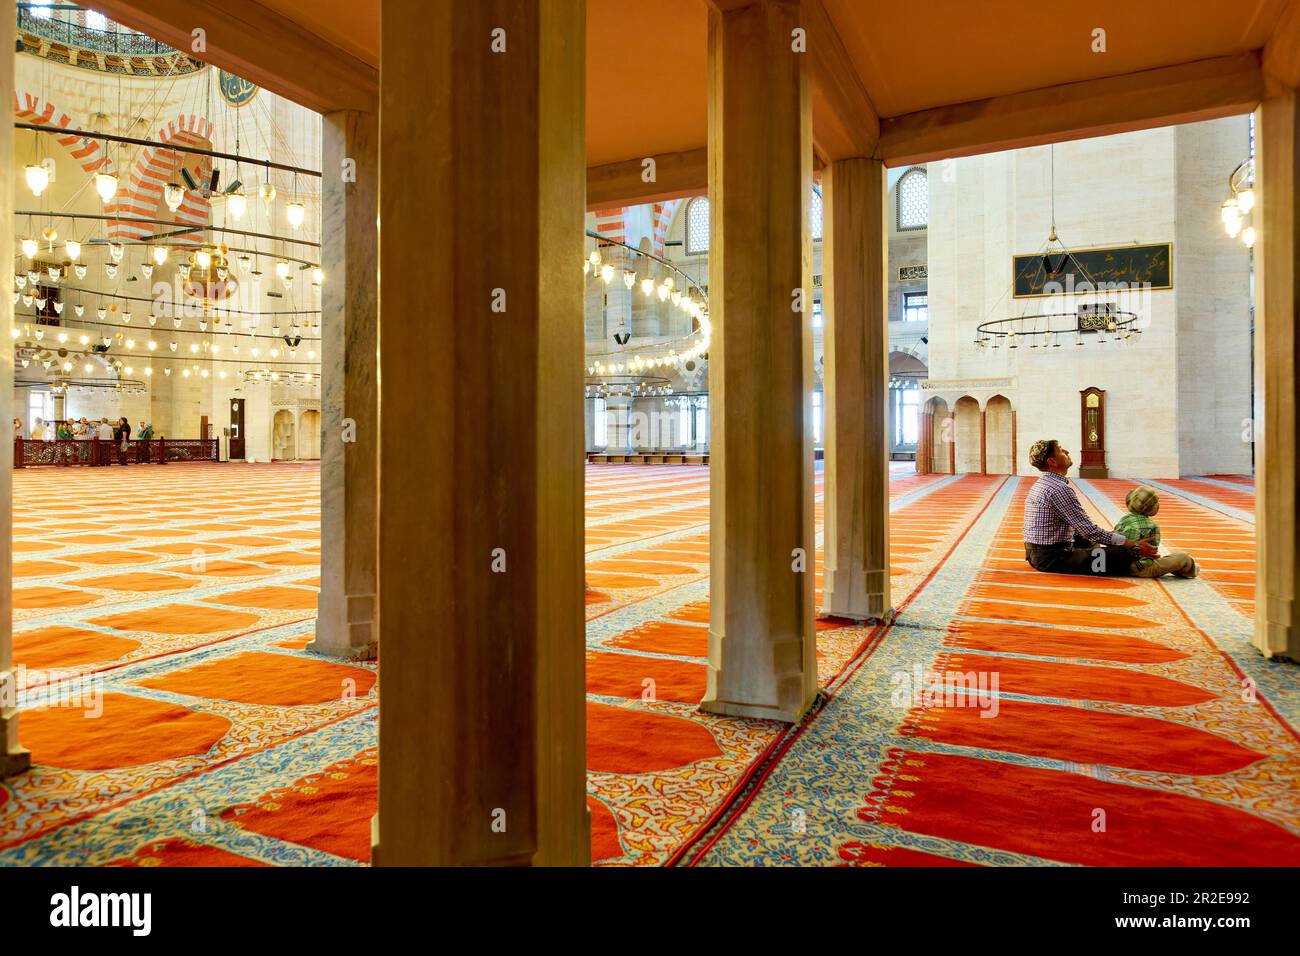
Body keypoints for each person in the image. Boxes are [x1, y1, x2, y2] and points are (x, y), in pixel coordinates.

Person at [1023, 438, 1157, 576]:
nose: (1066, 451)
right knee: (1123, 553)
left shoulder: (1044, 483)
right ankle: (1131, 555)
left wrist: (1117, 539)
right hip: (1051, 558)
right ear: (1052, 462)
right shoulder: (1059, 489)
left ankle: (1110, 550)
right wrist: (1132, 545)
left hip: (1036, 553)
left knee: (1090, 540)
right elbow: (1090, 531)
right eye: (1061, 450)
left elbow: (1084, 532)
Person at [1115, 485, 1197, 579]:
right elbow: (1153, 552)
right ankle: (1191, 571)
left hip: (1120, 564)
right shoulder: (1152, 525)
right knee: (1183, 557)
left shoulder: (1124, 519)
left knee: (1167, 561)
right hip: (1142, 569)